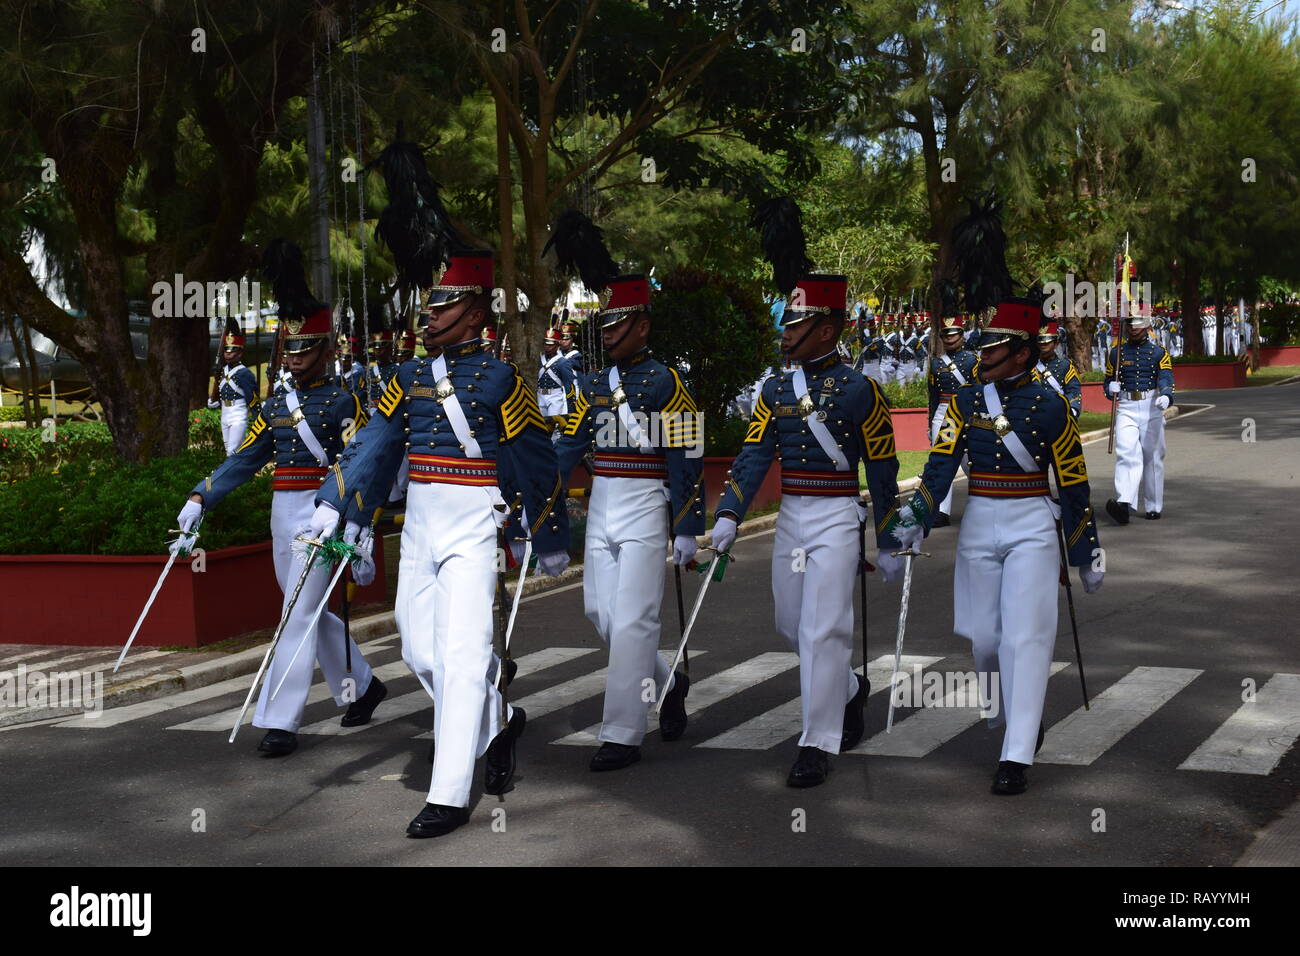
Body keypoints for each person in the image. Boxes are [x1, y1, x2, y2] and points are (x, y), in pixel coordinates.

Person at [311, 248, 571, 838]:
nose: (430, 318)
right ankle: (500, 719)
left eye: (445, 308)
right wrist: (336, 501)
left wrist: (547, 531)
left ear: (477, 313)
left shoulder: (504, 379)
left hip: (476, 517)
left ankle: (449, 792)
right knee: (419, 651)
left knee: (461, 654)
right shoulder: (407, 378)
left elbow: (536, 460)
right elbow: (374, 445)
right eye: (430, 308)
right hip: (421, 519)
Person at [711, 200, 902, 787]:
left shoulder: (860, 391)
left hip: (839, 516)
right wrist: (727, 514)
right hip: (792, 515)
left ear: (828, 327)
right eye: (787, 324)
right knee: (792, 622)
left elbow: (885, 467)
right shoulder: (774, 388)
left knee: (825, 628)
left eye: (796, 325)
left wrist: (891, 535)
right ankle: (846, 686)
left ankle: (816, 740)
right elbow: (752, 455)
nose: (785, 333)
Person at [886, 297, 1104, 796]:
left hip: (1031, 521)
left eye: (995, 348)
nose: (982, 355)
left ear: (1022, 353)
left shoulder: (1050, 406)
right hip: (981, 519)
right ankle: (1014, 717)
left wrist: (1085, 550)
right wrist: (916, 517)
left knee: (1023, 638)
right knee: (984, 640)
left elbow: (1073, 484)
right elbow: (939, 467)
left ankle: (1017, 749)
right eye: (983, 347)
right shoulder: (965, 403)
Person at [179, 240, 385, 758]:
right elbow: (244, 459)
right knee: (308, 610)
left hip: (325, 513)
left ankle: (279, 720)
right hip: (282, 512)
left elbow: (363, 466)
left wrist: (357, 525)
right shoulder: (275, 406)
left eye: (304, 350)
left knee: (296, 614)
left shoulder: (345, 400)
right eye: (288, 350)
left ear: (324, 348)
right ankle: (362, 685)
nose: (294, 359)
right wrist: (202, 496)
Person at [554, 269, 705, 772]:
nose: (608, 333)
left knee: (636, 618)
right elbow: (569, 447)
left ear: (642, 325)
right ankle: (668, 682)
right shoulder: (595, 383)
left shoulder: (666, 381)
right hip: (603, 501)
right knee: (602, 612)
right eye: (605, 324)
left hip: (644, 499)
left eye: (618, 324)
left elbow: (688, 454)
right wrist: (536, 499)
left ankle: (621, 732)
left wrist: (686, 526)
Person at [1104, 314, 1175, 523]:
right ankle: (1124, 503)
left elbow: (1166, 377)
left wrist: (1166, 395)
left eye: (1138, 324)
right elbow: (1109, 378)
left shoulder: (1158, 353)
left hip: (1151, 406)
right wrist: (1110, 388)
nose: (1133, 328)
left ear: (1147, 326)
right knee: (1126, 452)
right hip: (1126, 406)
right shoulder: (1116, 353)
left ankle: (1153, 505)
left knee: (1152, 457)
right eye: (1130, 324)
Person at [927, 315, 979, 526]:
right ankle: (941, 510)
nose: (949, 339)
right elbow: (933, 396)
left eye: (953, 335)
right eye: (945, 336)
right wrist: (930, 423)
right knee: (942, 460)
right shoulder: (936, 363)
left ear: (961, 335)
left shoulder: (972, 360)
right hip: (943, 412)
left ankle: (982, 501)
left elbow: (979, 389)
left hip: (966, 412)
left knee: (971, 462)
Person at [208, 320, 259, 456]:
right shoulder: (222, 371)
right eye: (226, 351)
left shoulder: (244, 374)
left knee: (233, 452)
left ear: (240, 352)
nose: (228, 354)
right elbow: (222, 393)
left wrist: (257, 420)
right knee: (228, 452)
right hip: (225, 413)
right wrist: (215, 401)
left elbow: (253, 399)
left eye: (232, 351)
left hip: (238, 414)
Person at [1034, 321, 1082, 418]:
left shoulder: (1065, 365)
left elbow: (1073, 392)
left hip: (1057, 414)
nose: (1043, 346)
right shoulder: (1029, 365)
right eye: (1040, 342)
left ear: (1056, 343)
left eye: (1047, 342)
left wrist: (1072, 411)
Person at [537, 324, 577, 425]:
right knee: (541, 425)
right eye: (546, 344)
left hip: (554, 396)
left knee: (554, 425)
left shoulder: (562, 362)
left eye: (550, 344)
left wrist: (571, 408)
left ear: (557, 344)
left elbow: (569, 385)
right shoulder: (539, 359)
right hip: (540, 395)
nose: (547, 347)